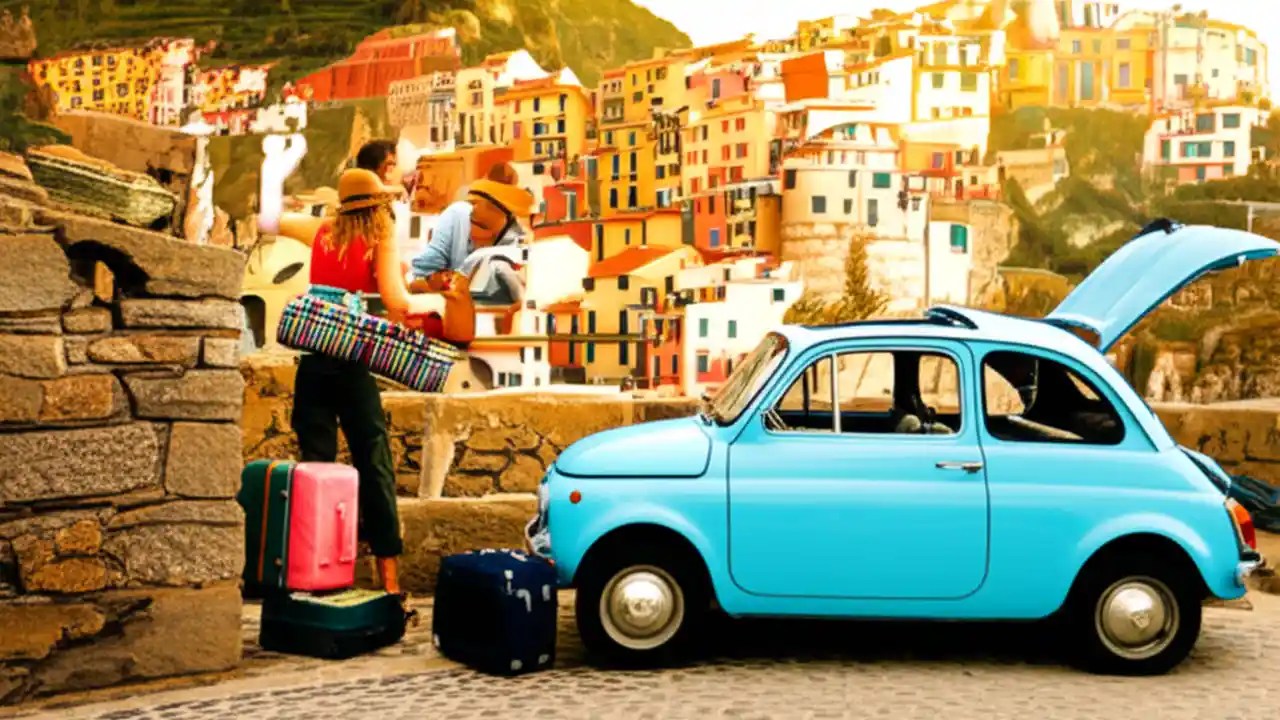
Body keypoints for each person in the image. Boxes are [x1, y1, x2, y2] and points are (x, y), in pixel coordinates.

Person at [277, 168, 474, 599]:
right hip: (350, 360)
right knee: (373, 461)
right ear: (378, 207)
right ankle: (389, 578)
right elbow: (395, 301)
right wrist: (437, 301)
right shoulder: (378, 236)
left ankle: (315, 574)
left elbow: (277, 222)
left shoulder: (322, 232)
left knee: (316, 466)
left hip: (313, 356)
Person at [409, 162, 535, 314]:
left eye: (478, 203)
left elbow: (522, 288)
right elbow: (420, 277)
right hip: (448, 310)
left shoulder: (517, 241)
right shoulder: (456, 217)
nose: (473, 208)